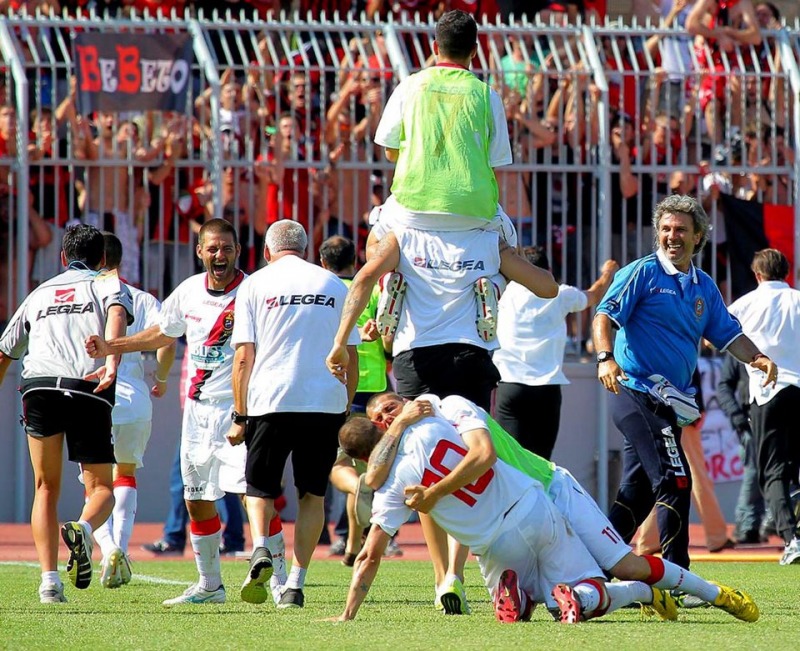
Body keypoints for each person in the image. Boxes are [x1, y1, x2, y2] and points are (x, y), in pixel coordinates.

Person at [363, 391, 759, 623]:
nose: (386, 418)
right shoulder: (412, 447)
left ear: (410, 400)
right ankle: (541, 596)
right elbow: (372, 478)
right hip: (522, 513)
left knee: (623, 564)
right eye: (379, 420)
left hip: (552, 488)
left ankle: (713, 593)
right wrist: (397, 429)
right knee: (564, 604)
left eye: (391, 408)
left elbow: (482, 454)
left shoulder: (447, 405)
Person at [592, 194, 778, 570]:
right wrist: (605, 358)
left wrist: (757, 358)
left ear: (698, 236)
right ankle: (678, 578)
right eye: (665, 229)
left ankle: (590, 564)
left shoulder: (703, 286)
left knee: (637, 491)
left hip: (671, 402)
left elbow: (728, 334)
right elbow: (603, 317)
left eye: (680, 230)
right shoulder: (641, 273)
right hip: (635, 392)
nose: (671, 236)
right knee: (676, 481)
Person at [85, 218, 252, 605]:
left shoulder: (251, 291)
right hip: (194, 411)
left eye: (226, 247)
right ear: (199, 251)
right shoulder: (186, 291)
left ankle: (280, 579)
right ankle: (209, 584)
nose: (219, 255)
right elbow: (165, 333)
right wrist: (119, 351)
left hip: (238, 408)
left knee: (250, 493)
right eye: (212, 248)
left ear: (238, 250)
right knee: (194, 495)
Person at [228, 220, 360, 609]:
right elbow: (350, 359)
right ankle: (296, 584)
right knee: (312, 495)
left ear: (268, 251)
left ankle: (261, 550)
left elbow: (242, 358)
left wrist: (240, 414)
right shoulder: (334, 285)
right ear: (306, 250)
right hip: (323, 403)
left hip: (269, 400)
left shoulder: (254, 284)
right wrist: (343, 403)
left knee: (258, 490)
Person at [0, 224, 133, 603]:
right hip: (86, 384)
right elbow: (117, 314)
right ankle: (85, 529)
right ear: (103, 259)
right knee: (101, 488)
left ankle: (49, 583)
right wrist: (110, 359)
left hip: (38, 386)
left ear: (62, 258)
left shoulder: (40, 292)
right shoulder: (106, 281)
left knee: (45, 487)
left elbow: (5, 350)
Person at [91, 232, 177, 589]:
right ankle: (121, 549)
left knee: (95, 481)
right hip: (134, 396)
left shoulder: (82, 296)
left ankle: (108, 546)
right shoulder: (141, 298)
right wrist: (162, 377)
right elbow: (167, 339)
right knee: (125, 474)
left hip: (92, 394)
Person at [494, 249, 619, 459]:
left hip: (509, 386)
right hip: (546, 389)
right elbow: (593, 295)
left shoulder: (504, 292)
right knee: (542, 461)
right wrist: (608, 272)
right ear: (549, 271)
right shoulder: (560, 293)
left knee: (511, 462)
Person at [319, 235, 393, 563]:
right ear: (356, 260)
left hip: (337, 385)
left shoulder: (321, 291)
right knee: (367, 469)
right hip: (375, 389)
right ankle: (352, 546)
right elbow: (390, 340)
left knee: (339, 464)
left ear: (323, 262)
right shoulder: (375, 289)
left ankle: (354, 497)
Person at [728, 248, 800, 565]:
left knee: (772, 473)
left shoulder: (745, 304)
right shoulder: (798, 300)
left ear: (757, 275)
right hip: (799, 388)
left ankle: (791, 539)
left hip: (767, 393)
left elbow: (711, 334)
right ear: (785, 272)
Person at [634, 369, 735, 555]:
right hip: (680, 407)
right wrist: (698, 407)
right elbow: (689, 369)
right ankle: (716, 535)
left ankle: (648, 541)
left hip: (653, 406)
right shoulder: (677, 342)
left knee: (659, 473)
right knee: (695, 473)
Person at [716, 352, 767, 544]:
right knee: (753, 475)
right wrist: (737, 416)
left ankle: (775, 523)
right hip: (751, 420)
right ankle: (748, 526)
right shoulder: (741, 348)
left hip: (782, 418)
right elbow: (724, 386)